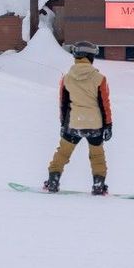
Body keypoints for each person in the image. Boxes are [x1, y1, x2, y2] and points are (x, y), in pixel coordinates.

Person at [43, 41, 113, 195]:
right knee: (97, 156)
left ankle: (53, 180)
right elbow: (104, 104)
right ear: (90, 57)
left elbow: (63, 103)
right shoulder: (100, 78)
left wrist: (63, 124)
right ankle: (98, 185)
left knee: (63, 153)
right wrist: (108, 125)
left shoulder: (67, 78)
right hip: (95, 125)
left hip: (74, 123)